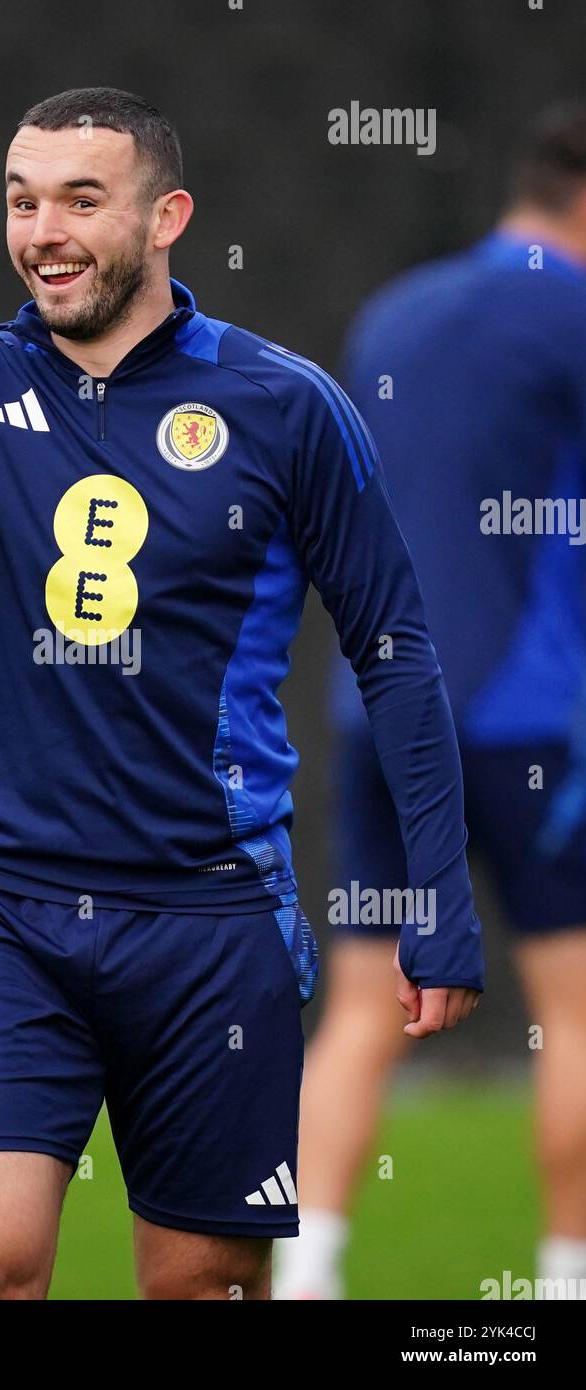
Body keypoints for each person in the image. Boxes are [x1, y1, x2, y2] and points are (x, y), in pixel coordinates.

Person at [0, 87, 482, 1301]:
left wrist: (437, 893)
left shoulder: (286, 407)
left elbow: (394, 650)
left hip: (210, 915)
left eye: (83, 199)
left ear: (168, 214)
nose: (44, 231)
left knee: (202, 1286)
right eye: (23, 201)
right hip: (1, 901)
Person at [275, 104, 586, 1301]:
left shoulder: (392, 314)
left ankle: (307, 1278)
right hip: (530, 719)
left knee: (358, 1005)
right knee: (571, 1005)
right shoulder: (572, 317)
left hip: (381, 710)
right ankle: (564, 1280)